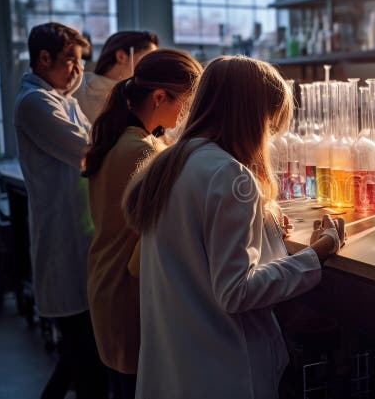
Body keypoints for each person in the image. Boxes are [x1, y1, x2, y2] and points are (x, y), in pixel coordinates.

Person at [122, 56, 344, 399]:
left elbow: (196, 246)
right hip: (223, 368)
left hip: (180, 364)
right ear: (252, 117)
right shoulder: (229, 174)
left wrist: (263, 227)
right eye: (270, 125)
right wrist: (319, 250)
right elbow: (236, 291)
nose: (269, 138)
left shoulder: (171, 161)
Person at [82, 49, 203, 399]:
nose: (188, 113)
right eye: (188, 102)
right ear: (160, 97)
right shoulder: (141, 153)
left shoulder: (128, 139)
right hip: (127, 290)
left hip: (108, 282)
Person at [13, 22, 108, 399]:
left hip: (78, 235)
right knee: (83, 357)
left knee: (80, 354)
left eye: (82, 62)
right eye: (72, 61)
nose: (78, 71)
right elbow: (88, 152)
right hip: (62, 241)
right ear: (43, 58)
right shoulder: (34, 103)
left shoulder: (61, 100)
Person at [74, 31, 159, 122]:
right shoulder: (77, 86)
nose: (153, 68)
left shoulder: (142, 100)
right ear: (121, 56)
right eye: (148, 59)